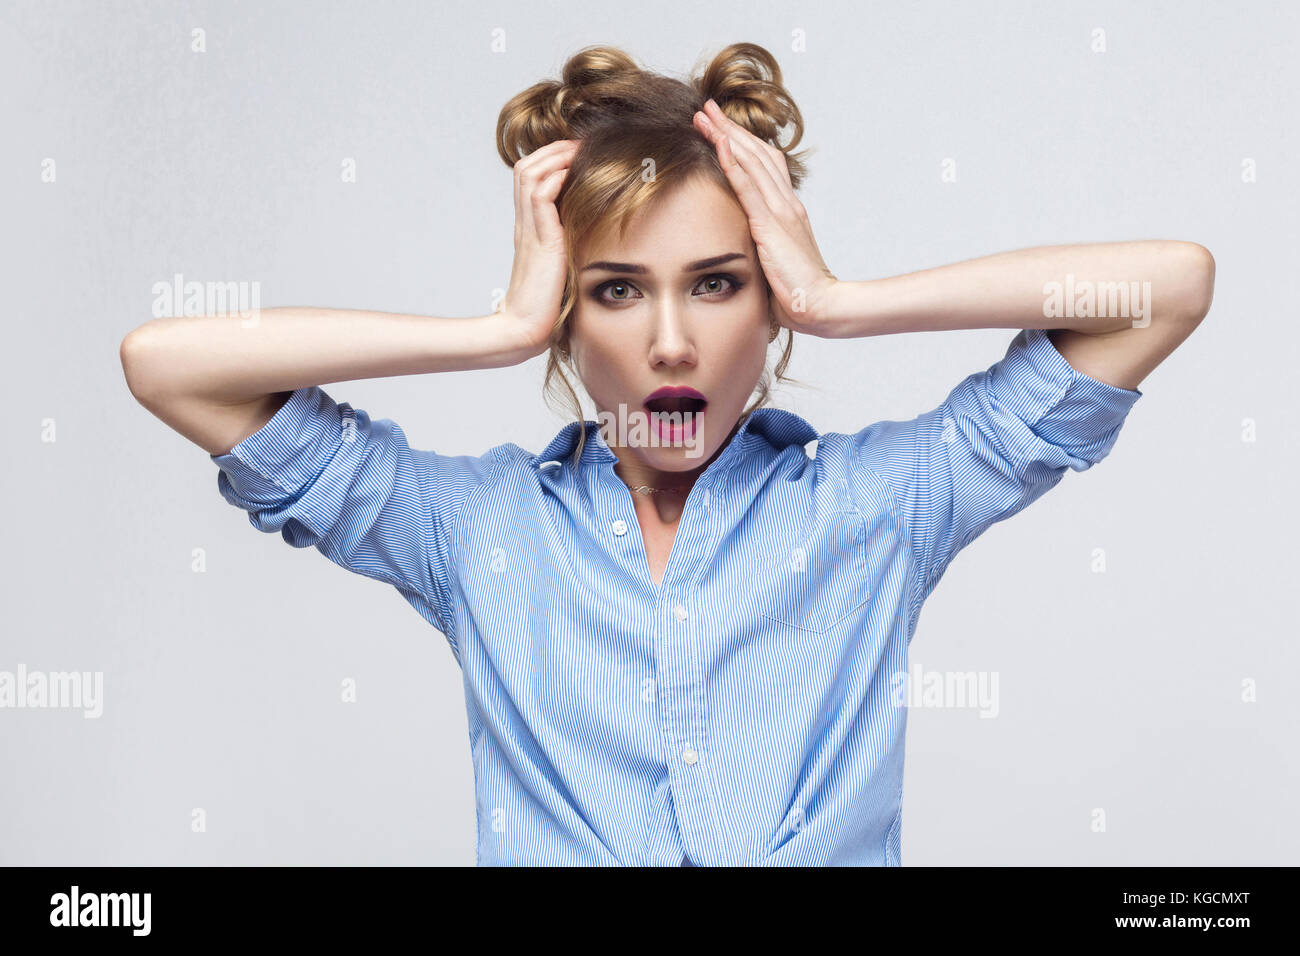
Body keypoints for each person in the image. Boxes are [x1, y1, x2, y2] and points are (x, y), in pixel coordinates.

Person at [119, 42, 1216, 866]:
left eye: (716, 281)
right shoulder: (475, 527)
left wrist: (841, 300)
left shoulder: (877, 504)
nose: (671, 340)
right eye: (614, 291)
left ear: (768, 303)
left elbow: (1164, 288)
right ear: (568, 314)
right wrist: (495, 328)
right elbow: (169, 363)